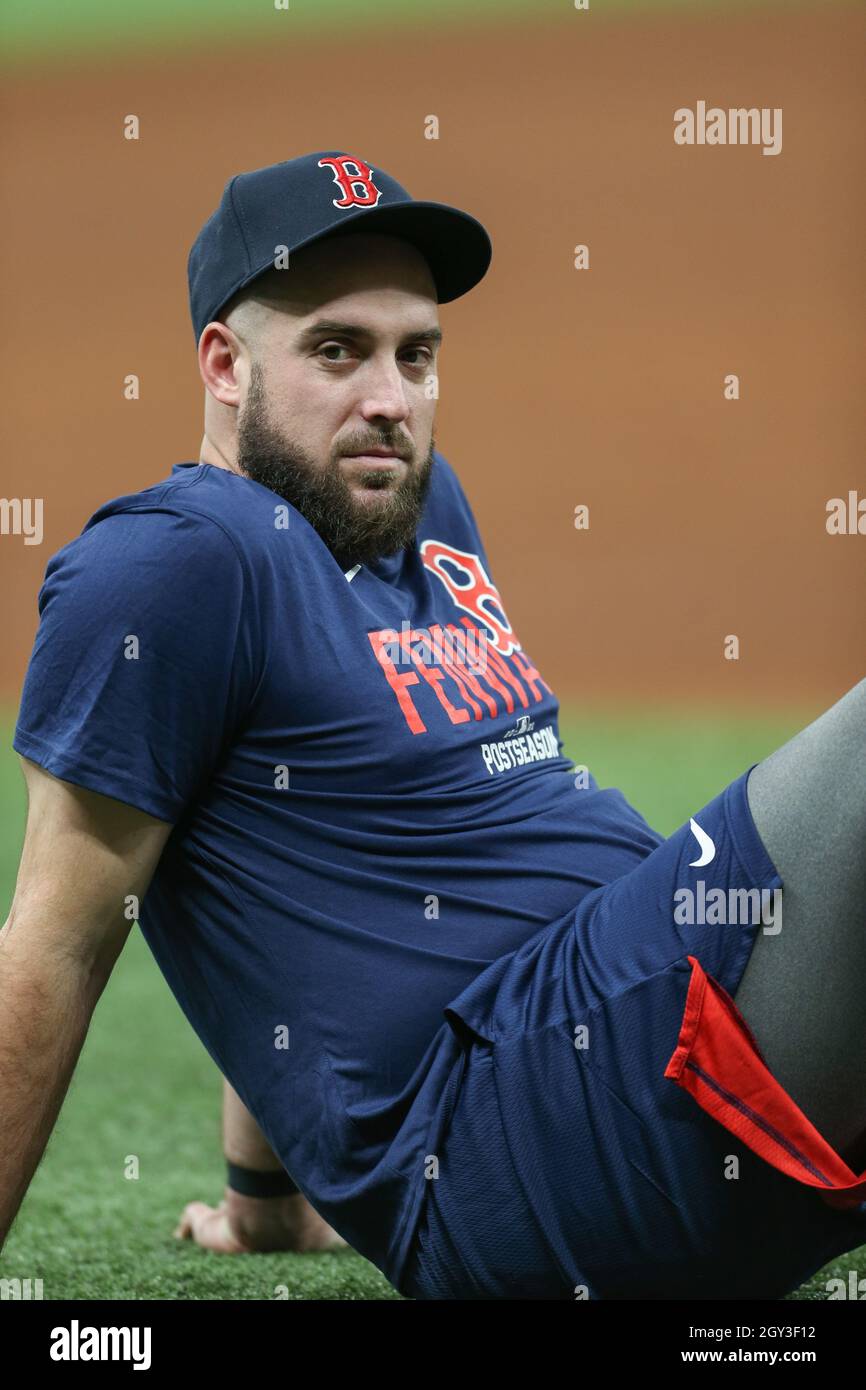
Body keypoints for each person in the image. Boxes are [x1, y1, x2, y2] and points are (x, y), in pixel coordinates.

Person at [2, 152, 865, 1301]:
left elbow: (298, 835)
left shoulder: (410, 503)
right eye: (336, 350)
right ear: (223, 363)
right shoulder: (168, 564)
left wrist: (261, 1196)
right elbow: (53, 945)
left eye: (416, 354)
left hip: (639, 1040)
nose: (389, 399)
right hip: (533, 1121)